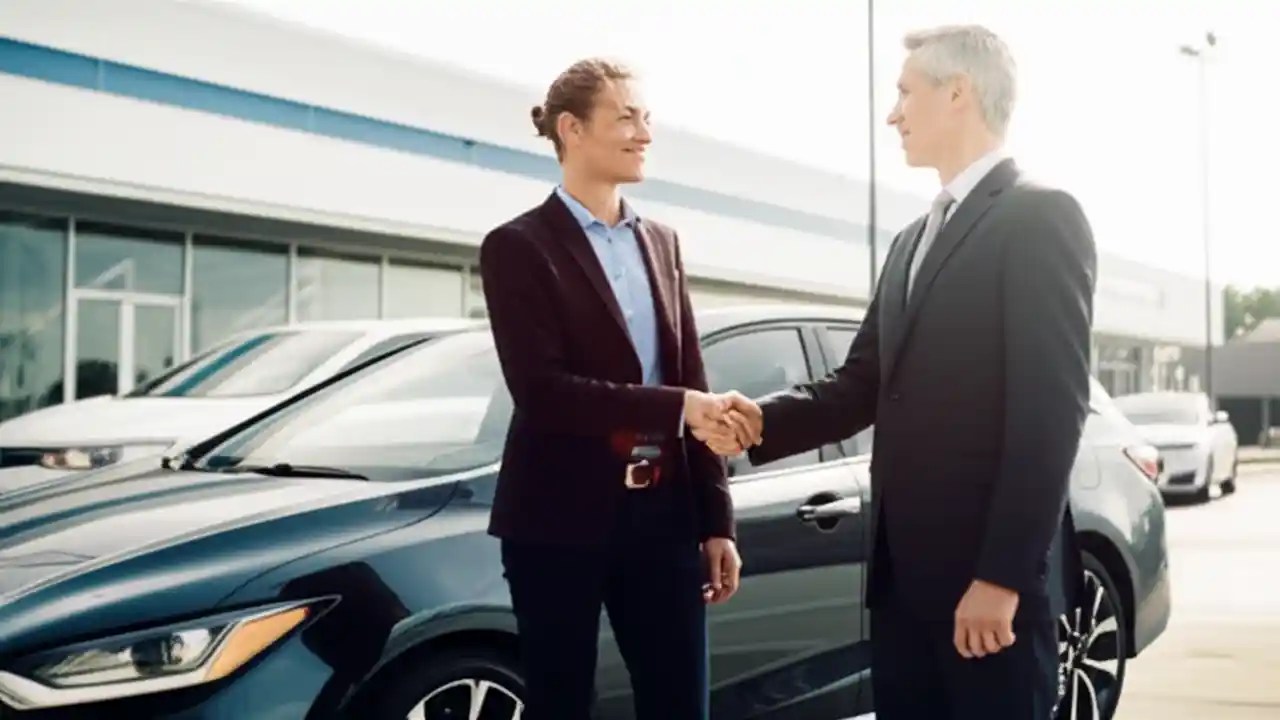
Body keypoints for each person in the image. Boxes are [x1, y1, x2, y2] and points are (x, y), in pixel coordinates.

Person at [701, 24, 1095, 719]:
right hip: (902, 589)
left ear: (957, 93)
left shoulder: (1041, 217)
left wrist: (1001, 578)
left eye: (906, 93)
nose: (893, 114)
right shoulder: (912, 240)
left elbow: (1049, 416)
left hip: (985, 594)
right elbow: (862, 384)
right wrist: (761, 421)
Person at [478, 58, 758, 720]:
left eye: (647, 118)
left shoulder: (662, 242)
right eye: (627, 118)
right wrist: (679, 408)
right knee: (562, 704)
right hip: (555, 520)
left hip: (663, 518)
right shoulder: (517, 246)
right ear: (571, 129)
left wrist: (715, 521)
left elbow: (691, 378)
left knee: (679, 703)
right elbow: (544, 392)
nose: (645, 133)